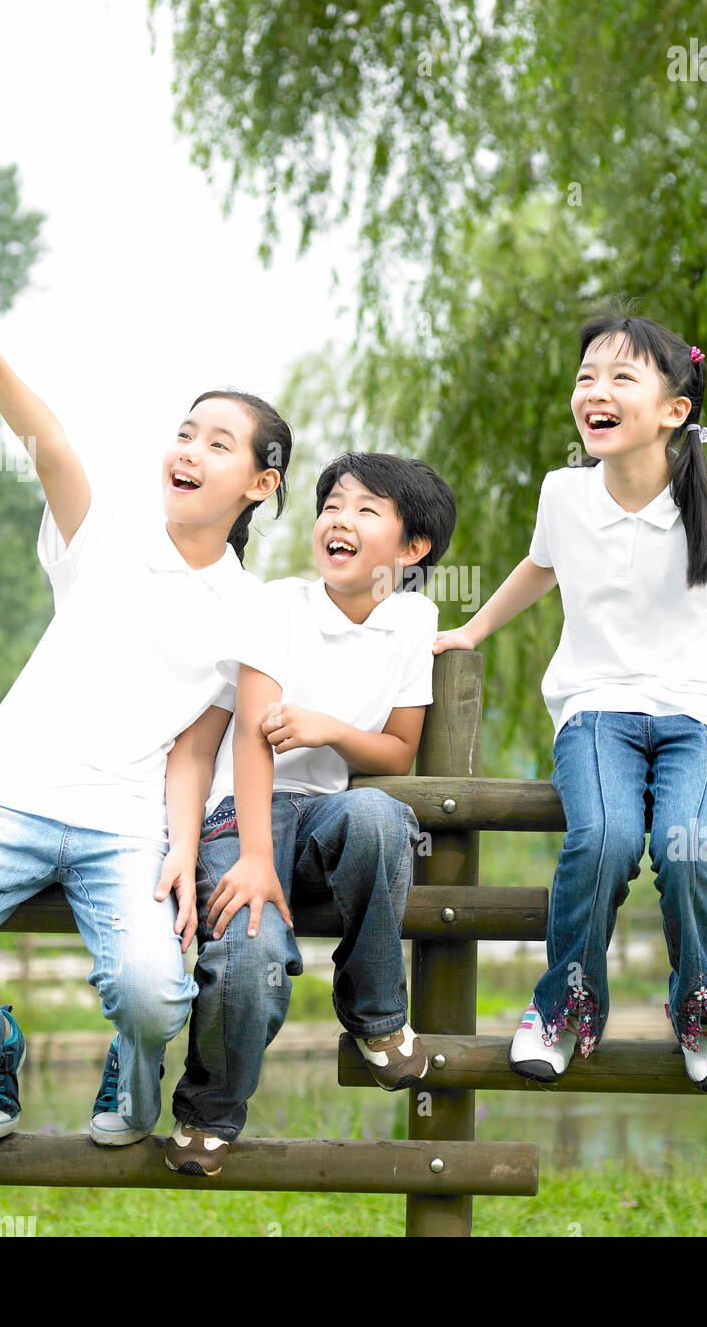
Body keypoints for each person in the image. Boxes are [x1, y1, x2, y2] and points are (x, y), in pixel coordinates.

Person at [0, 276, 290, 1145]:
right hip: (8, 798)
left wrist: (175, 847)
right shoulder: (110, 534)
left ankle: (127, 1085)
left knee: (153, 995)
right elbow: (48, 442)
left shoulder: (249, 611)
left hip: (124, 827)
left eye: (218, 443)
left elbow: (196, 753)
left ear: (261, 483)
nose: (190, 450)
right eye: (184, 433)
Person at [436, 313, 707, 1091]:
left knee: (689, 844)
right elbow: (540, 567)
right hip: (596, 708)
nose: (594, 391)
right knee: (603, 837)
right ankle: (567, 1003)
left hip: (705, 719)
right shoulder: (563, 494)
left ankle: (701, 1005)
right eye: (586, 376)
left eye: (621, 378)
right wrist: (472, 628)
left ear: (674, 410)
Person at [163, 452, 455, 1175]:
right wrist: (257, 859)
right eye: (331, 505)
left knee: (383, 817)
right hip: (243, 813)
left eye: (364, 509)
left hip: (326, 817)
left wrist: (327, 728)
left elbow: (395, 752)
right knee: (247, 952)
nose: (338, 520)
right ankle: (209, 1111)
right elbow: (254, 741)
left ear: (412, 548)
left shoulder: (415, 618)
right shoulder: (275, 605)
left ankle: (376, 1015)